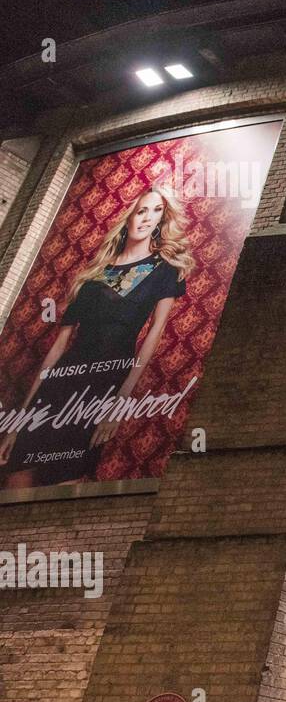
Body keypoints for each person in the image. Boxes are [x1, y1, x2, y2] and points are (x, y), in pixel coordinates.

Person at [0, 184, 192, 488]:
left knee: (66, 487)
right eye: (142, 210)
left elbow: (153, 336)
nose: (147, 218)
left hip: (103, 388)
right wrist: (20, 419)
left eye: (157, 212)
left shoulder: (164, 269)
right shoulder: (94, 273)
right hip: (59, 386)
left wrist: (120, 402)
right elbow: (58, 348)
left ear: (161, 222)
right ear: (129, 216)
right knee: (16, 485)